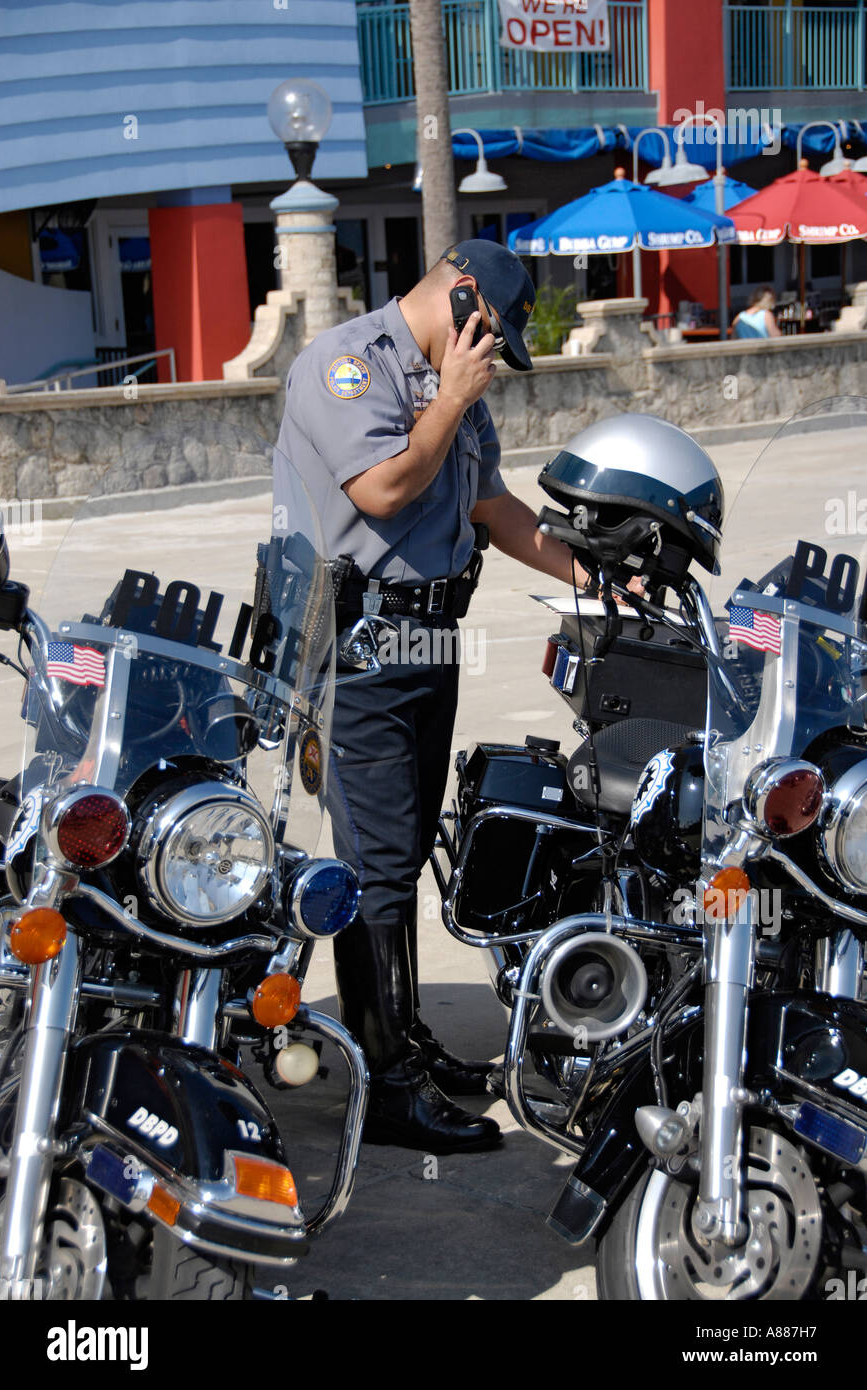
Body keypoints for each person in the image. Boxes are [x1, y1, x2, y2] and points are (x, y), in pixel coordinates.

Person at [273, 240, 593, 1154]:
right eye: (488, 329)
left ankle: (399, 1036)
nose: (490, 352)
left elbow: (492, 507)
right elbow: (381, 488)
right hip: (362, 646)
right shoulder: (345, 366)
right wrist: (450, 397)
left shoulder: (451, 380)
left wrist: (599, 578)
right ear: (460, 296)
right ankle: (385, 1090)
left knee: (405, 848)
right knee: (373, 861)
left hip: (431, 638)